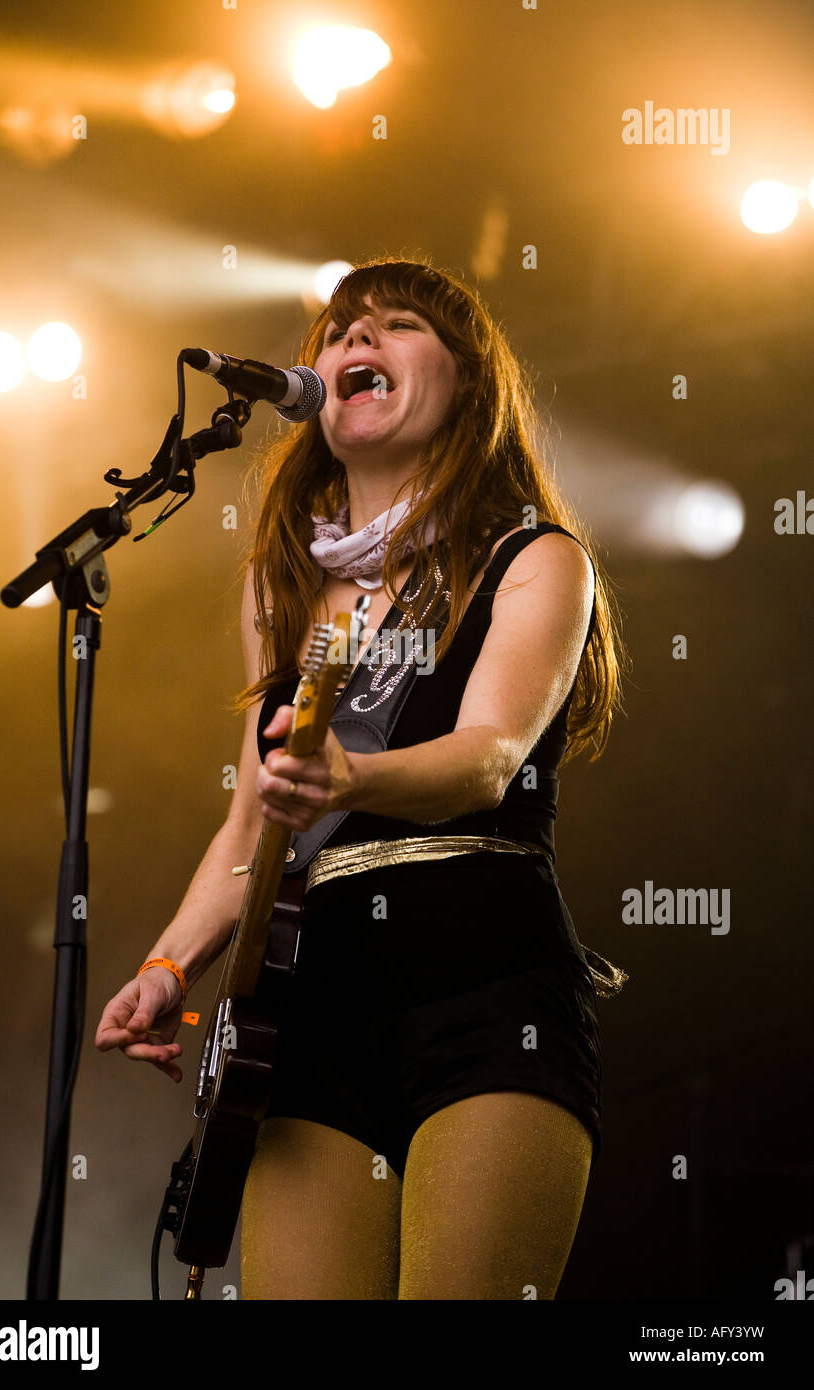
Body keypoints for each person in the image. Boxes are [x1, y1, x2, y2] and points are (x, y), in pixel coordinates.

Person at [95, 258, 626, 1300]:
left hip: (485, 989)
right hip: (310, 1016)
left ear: (467, 383)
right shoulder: (281, 580)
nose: (353, 344)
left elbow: (484, 757)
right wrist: (168, 966)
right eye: (337, 332)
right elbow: (253, 817)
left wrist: (347, 769)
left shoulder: (532, 557)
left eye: (394, 327)